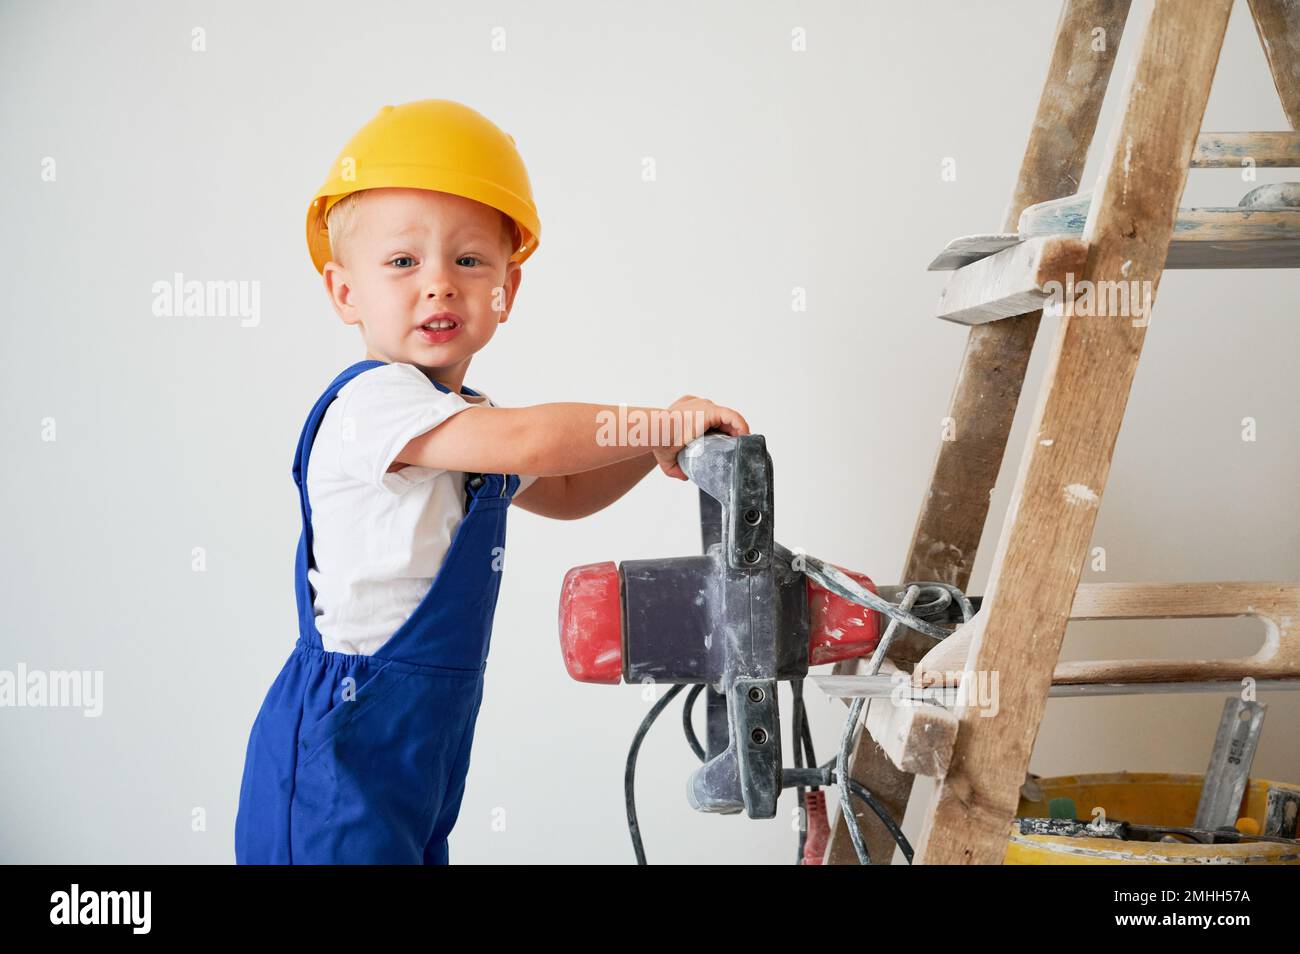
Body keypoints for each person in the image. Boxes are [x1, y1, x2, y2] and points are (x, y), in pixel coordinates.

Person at [234, 99, 749, 863]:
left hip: (422, 745)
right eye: (404, 262)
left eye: (469, 261)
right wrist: (654, 423)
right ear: (345, 292)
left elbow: (566, 491)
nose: (438, 284)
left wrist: (648, 453)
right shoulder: (375, 406)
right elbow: (534, 441)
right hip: (339, 750)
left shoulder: (460, 420)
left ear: (508, 288)